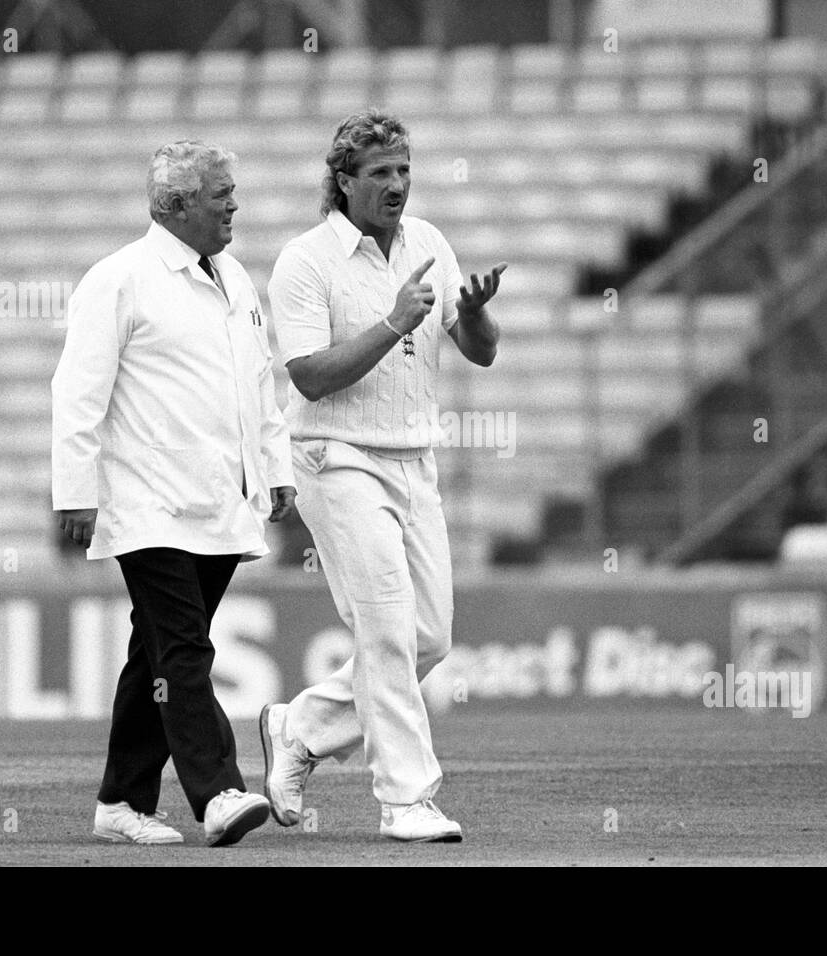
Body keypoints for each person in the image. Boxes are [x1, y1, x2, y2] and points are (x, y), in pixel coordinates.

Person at [259, 110, 506, 842]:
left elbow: (479, 351)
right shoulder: (306, 261)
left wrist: (478, 316)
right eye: (380, 173)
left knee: (429, 636)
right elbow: (307, 377)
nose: (397, 184)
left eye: (403, 170)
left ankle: (299, 726)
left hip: (413, 456)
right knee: (389, 627)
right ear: (343, 182)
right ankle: (406, 799)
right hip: (336, 457)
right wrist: (395, 322)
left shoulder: (428, 242)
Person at [52, 140, 296, 847]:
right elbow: (77, 392)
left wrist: (275, 469)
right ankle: (219, 791)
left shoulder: (236, 280)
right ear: (179, 204)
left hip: (219, 503)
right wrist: (74, 490)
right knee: (184, 649)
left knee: (154, 654)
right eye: (221, 193)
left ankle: (120, 801)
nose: (234, 204)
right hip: (147, 505)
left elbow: (259, 385)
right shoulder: (119, 280)